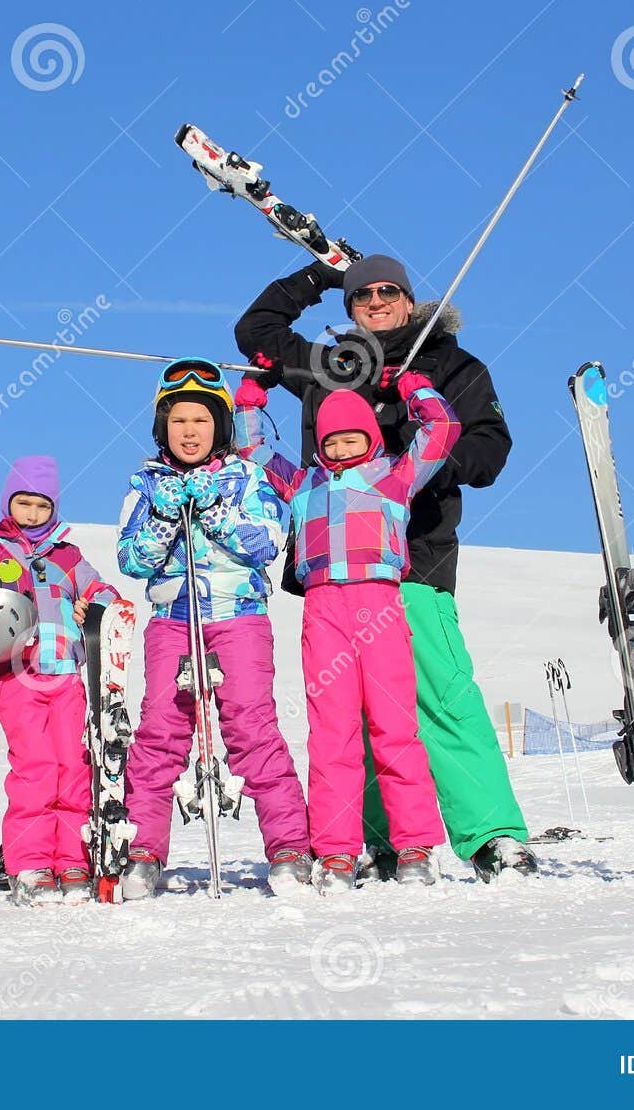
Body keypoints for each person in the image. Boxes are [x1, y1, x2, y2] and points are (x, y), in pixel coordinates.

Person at [235, 255, 537, 882]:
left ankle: (491, 835)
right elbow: (256, 332)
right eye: (361, 293)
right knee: (349, 711)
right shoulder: (334, 364)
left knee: (439, 697)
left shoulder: (449, 363)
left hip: (416, 555)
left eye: (388, 291)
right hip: (336, 574)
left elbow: (488, 450)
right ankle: (377, 838)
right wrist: (322, 272)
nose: (375, 301)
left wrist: (405, 470)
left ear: (409, 298)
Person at [235, 371, 453, 892]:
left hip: (380, 605)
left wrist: (413, 388)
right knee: (332, 732)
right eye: (331, 441)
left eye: (351, 438)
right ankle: (335, 850)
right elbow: (252, 451)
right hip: (324, 608)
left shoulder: (395, 476)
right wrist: (250, 399)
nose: (340, 448)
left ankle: (415, 844)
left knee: (394, 727)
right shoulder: (304, 483)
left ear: (371, 437)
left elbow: (441, 429)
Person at [115, 358, 312, 898]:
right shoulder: (145, 484)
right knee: (160, 731)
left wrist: (215, 510)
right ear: (163, 427)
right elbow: (131, 560)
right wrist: (162, 517)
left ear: (220, 425)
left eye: (201, 420)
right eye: (178, 421)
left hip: (236, 617)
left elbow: (267, 543)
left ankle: (290, 847)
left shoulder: (247, 477)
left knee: (251, 726)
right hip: (172, 621)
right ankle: (143, 849)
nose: (189, 432)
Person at [0, 455, 121, 906]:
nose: (33, 514)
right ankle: (31, 863)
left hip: (66, 676)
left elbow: (105, 595)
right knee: (36, 768)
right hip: (15, 675)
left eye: (42, 505)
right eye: (24, 503)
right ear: (7, 503)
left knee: (74, 767)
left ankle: (72, 859)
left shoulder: (68, 556)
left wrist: (94, 609)